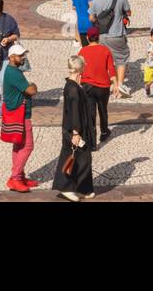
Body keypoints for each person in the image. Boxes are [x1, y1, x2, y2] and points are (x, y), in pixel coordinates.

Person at [53, 55, 95, 201]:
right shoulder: (73, 89)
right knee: (72, 156)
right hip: (74, 129)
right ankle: (66, 187)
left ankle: (83, 188)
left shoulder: (73, 85)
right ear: (80, 68)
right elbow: (74, 111)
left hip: (76, 127)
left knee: (82, 158)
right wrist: (76, 133)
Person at [1, 43, 38, 193]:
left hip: (16, 112)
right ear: (11, 57)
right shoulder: (14, 73)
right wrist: (33, 85)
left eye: (23, 55)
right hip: (21, 114)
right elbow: (30, 90)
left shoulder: (11, 70)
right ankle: (15, 178)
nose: (23, 58)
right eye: (20, 55)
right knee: (28, 146)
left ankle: (20, 175)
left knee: (18, 145)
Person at [89, 0, 132, 96]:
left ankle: (109, 84)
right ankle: (119, 86)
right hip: (117, 34)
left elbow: (91, 18)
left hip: (102, 36)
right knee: (121, 59)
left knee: (107, 60)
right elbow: (128, 13)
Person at [79, 26, 116, 141]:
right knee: (102, 109)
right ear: (98, 37)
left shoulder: (82, 51)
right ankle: (104, 132)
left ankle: (92, 141)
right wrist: (116, 85)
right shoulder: (105, 50)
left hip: (87, 86)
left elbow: (79, 69)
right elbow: (111, 70)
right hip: (103, 86)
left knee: (90, 113)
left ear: (88, 38)